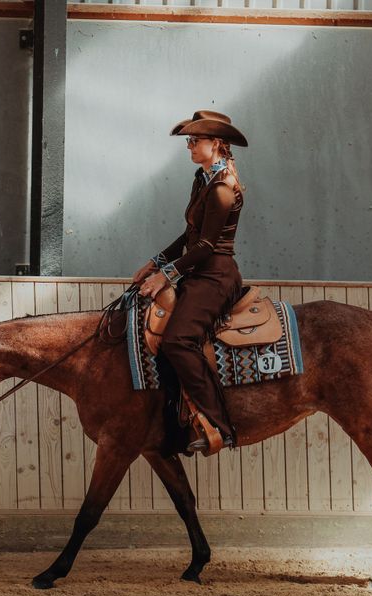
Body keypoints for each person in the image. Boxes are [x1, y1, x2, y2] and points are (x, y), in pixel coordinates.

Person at [133, 110, 248, 454]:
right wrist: (155, 262)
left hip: (216, 277)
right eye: (189, 142)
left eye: (194, 141)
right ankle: (177, 416)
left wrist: (164, 275)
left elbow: (205, 246)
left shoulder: (224, 187)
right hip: (199, 272)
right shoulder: (204, 179)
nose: (190, 147)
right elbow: (189, 234)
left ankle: (219, 425)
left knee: (178, 342)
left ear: (215, 144)